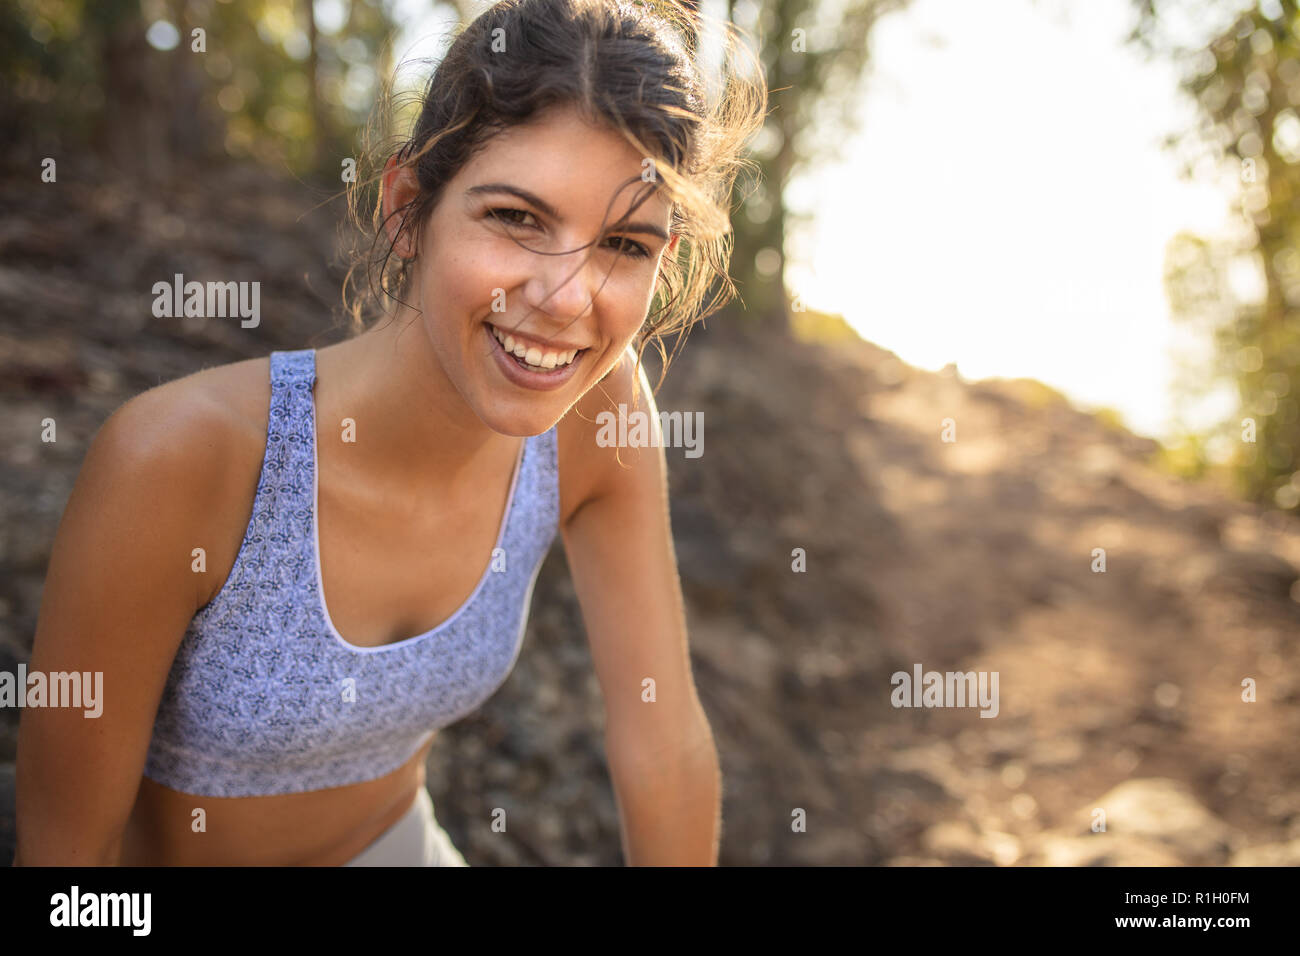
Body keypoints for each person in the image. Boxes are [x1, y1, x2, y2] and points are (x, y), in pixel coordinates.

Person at [14, 0, 766, 866]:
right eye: (517, 219)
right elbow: (66, 862)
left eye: (624, 245)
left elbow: (663, 740)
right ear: (407, 208)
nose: (569, 299)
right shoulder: (180, 457)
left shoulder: (602, 415)